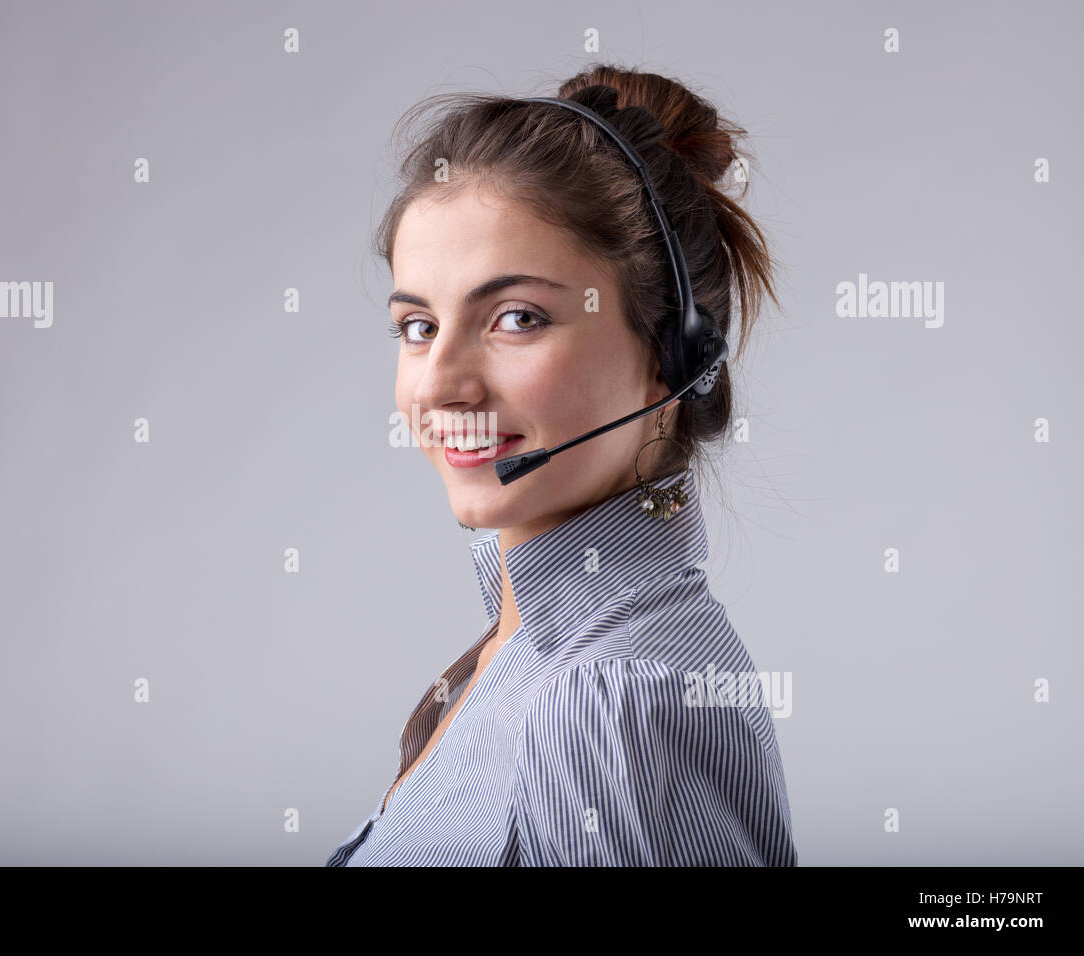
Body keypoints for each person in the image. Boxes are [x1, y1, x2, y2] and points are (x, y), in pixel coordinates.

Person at [326, 63, 797, 866]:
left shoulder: (602, 706)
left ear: (673, 356)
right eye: (417, 326)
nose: (438, 383)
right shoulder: (520, 656)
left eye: (516, 317)